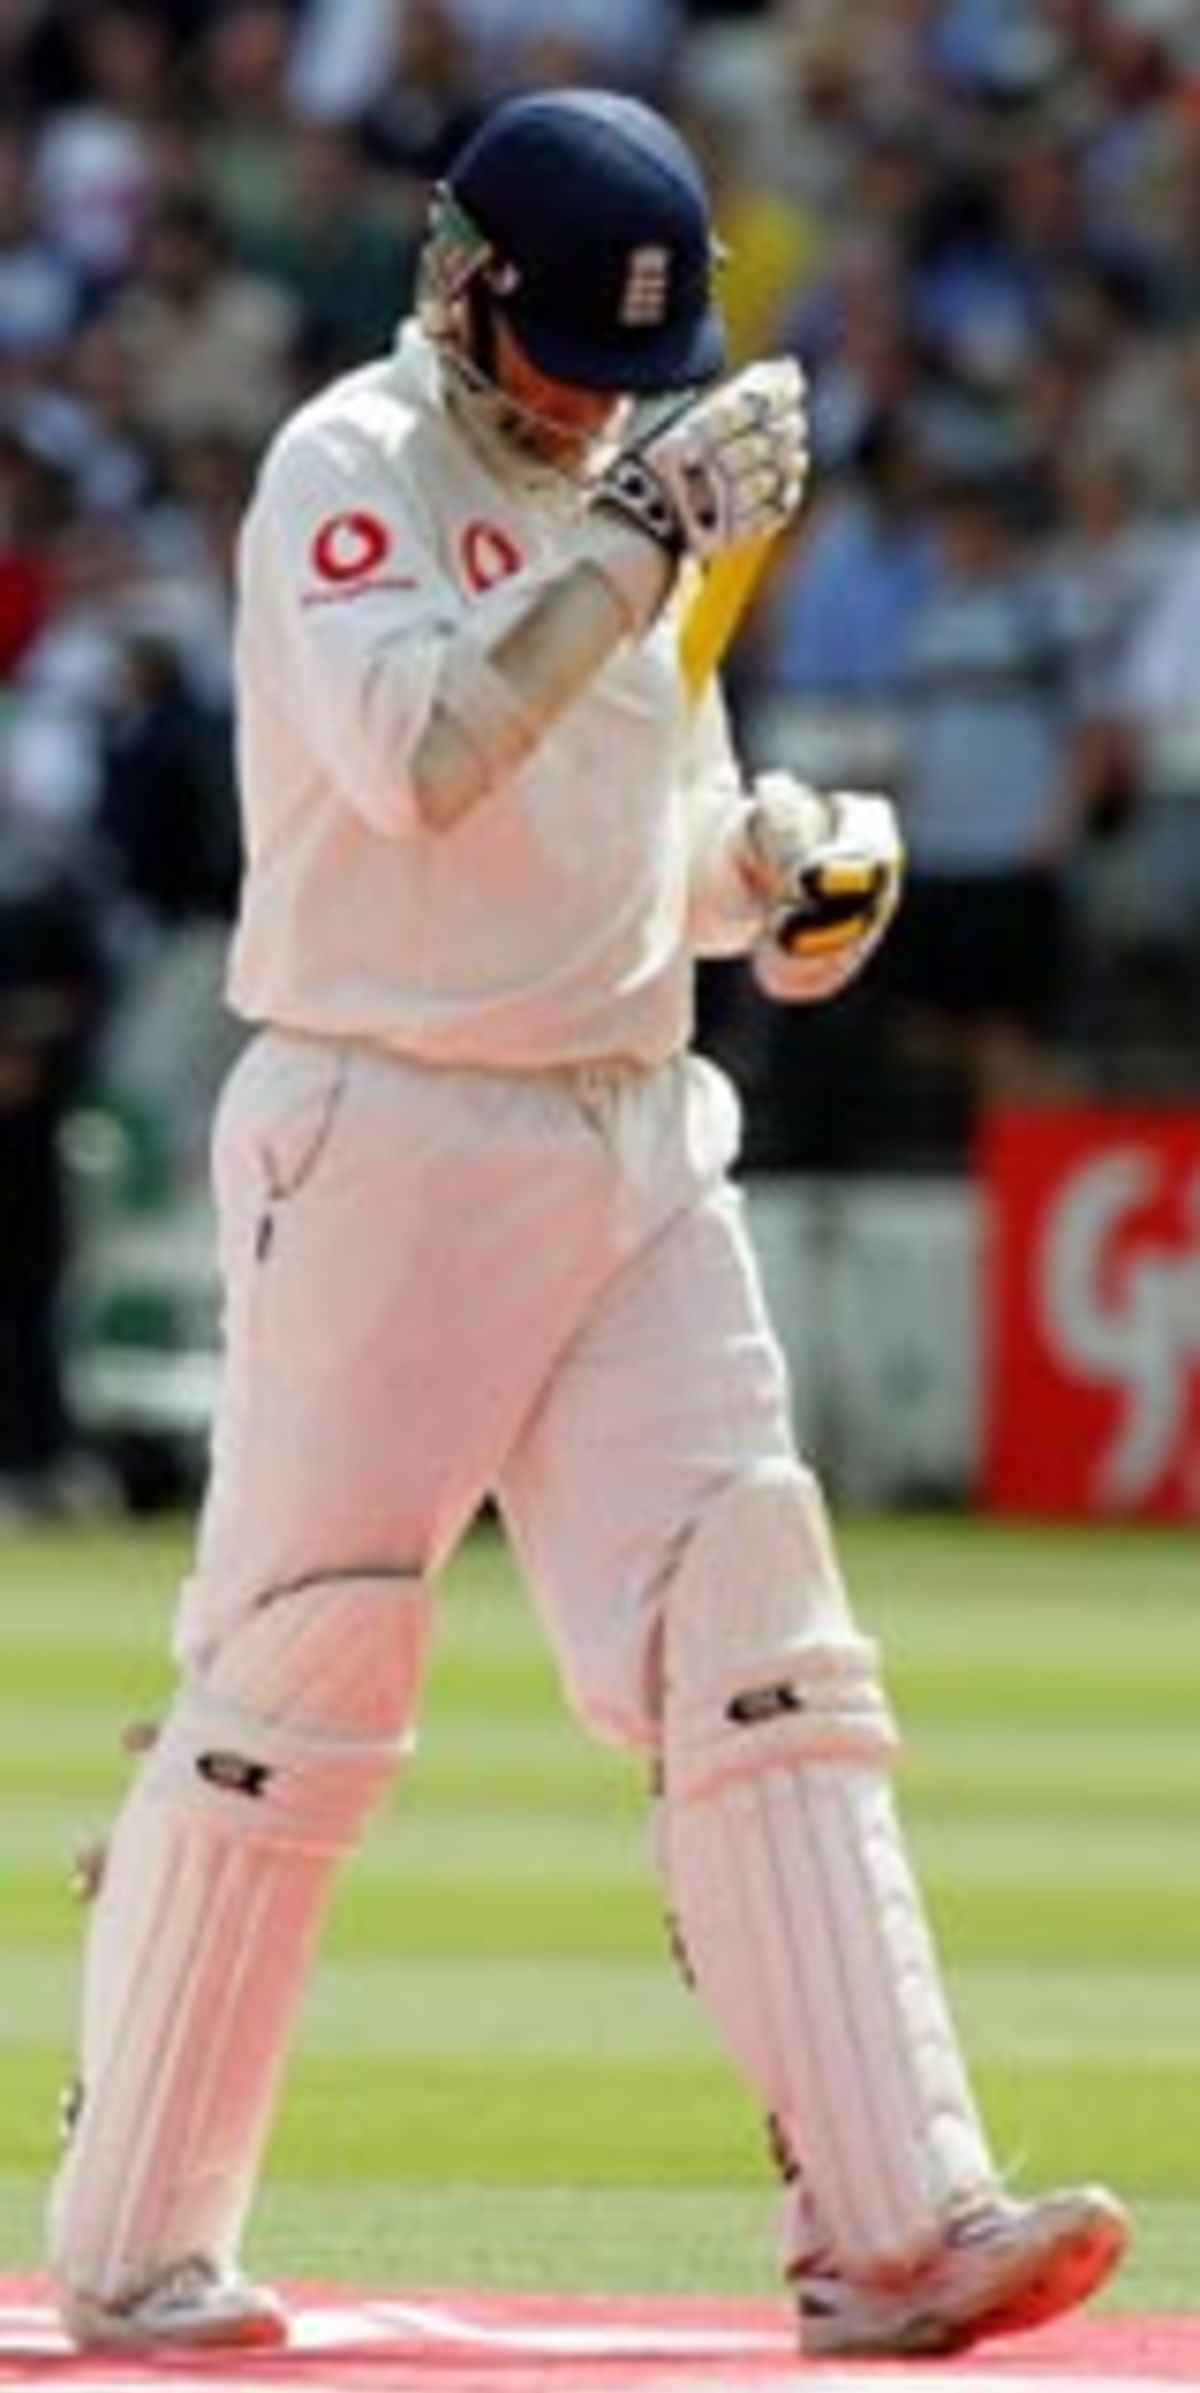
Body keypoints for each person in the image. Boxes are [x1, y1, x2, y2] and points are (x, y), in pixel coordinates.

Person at [47, 86, 1129, 2361]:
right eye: (558, 364)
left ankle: (899, 2220)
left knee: (764, 1631)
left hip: (631, 1124)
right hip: (386, 1133)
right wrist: (638, 541)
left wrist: (799, 873)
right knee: (300, 1685)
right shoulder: (350, 471)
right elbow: (428, 760)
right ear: (461, 291)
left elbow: (674, 815)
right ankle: (136, 2244)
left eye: (628, 384)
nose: (588, 409)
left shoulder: (632, 498)